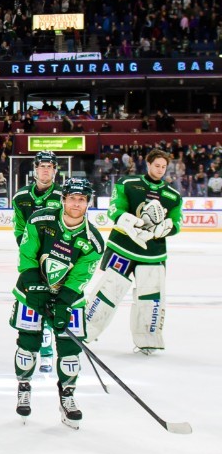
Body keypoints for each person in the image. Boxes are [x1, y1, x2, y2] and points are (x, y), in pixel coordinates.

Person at [11, 178, 103, 429]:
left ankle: (68, 395)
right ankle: (24, 387)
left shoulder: (93, 241)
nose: (76, 203)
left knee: (70, 352)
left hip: (69, 300)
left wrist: (63, 303)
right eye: (72, 198)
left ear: (88, 203)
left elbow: (80, 276)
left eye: (82, 199)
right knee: (27, 345)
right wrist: (35, 288)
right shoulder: (41, 220)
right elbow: (27, 254)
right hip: (30, 292)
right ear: (63, 200)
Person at [83, 149, 184, 353]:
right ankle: (86, 331)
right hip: (123, 247)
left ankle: (148, 340)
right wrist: (130, 221)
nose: (160, 170)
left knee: (151, 297)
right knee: (108, 291)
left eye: (163, 167)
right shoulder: (128, 184)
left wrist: (165, 228)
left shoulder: (173, 195)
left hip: (153, 253)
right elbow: (114, 209)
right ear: (148, 164)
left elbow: (177, 222)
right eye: (157, 165)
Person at [10, 151, 64, 372]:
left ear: (55, 170)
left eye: (50, 166)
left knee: (54, 305)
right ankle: (31, 349)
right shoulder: (21, 197)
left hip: (59, 261)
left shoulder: (64, 195)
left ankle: (50, 352)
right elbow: (19, 230)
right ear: (35, 169)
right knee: (33, 303)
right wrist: (31, 255)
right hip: (32, 262)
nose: (45, 170)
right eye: (42, 166)